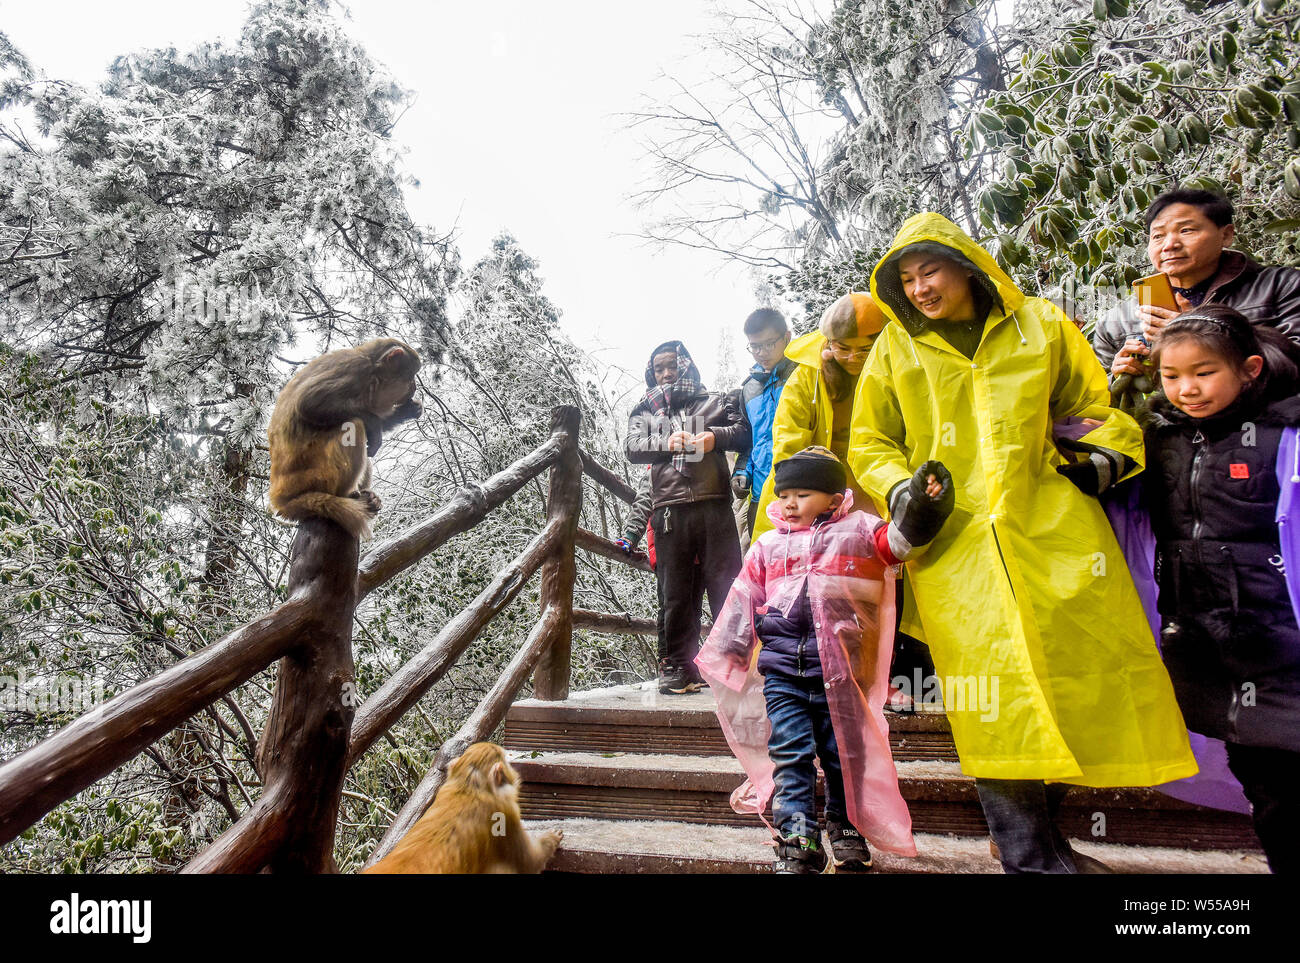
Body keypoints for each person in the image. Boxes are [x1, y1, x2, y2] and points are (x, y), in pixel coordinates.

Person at [849, 211, 1198, 874]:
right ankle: (1026, 853)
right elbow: (870, 440)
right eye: (907, 278)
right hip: (958, 546)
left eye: (930, 270)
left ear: (966, 264)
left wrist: (1100, 458)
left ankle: (1047, 839)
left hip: (1052, 526)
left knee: (1077, 681)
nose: (919, 287)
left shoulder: (1040, 324)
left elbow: (1094, 406)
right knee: (994, 699)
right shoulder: (897, 348)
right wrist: (901, 488)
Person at [695, 446, 951, 872]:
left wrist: (922, 505)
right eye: (785, 494)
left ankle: (846, 828)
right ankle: (797, 837)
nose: (789, 503)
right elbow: (745, 600)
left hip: (844, 674)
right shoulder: (768, 546)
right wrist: (730, 653)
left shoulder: (861, 531)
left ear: (835, 498)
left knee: (845, 757)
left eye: (803, 494)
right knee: (791, 753)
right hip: (783, 676)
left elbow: (901, 546)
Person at [1138, 304, 1300, 873]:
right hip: (1209, 642)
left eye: (1204, 372)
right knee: (1265, 788)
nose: (1187, 389)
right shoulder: (1165, 441)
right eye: (1171, 376)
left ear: (1250, 368)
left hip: (1284, 643)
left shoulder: (1288, 432)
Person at [625, 340, 749, 695]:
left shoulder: (715, 401)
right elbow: (633, 447)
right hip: (669, 510)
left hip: (713, 503)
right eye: (658, 369)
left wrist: (712, 438)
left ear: (686, 366)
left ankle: (732, 662)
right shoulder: (644, 410)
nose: (665, 374)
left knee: (726, 586)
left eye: (672, 366)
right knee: (675, 592)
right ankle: (677, 666)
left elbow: (743, 433)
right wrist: (670, 443)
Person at [1096, 188, 1300, 379]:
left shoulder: (1282, 287)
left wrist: (1199, 334)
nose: (1169, 245)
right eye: (1158, 236)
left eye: (1186, 230)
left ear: (1226, 235)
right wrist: (1120, 377)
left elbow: (1293, 367)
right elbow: (1093, 399)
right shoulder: (1118, 320)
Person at [750, 292, 885, 540]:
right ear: (828, 344)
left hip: (877, 490)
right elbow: (788, 445)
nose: (853, 358)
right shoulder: (806, 379)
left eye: (865, 350)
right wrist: (797, 500)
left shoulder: (892, 372)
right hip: (819, 493)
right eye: (843, 348)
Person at [731, 309, 795, 538]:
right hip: (761, 492)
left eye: (769, 344)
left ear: (786, 338)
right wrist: (741, 470)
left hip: (801, 490)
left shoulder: (802, 373)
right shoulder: (749, 388)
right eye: (754, 346)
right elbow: (750, 440)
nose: (761, 353)